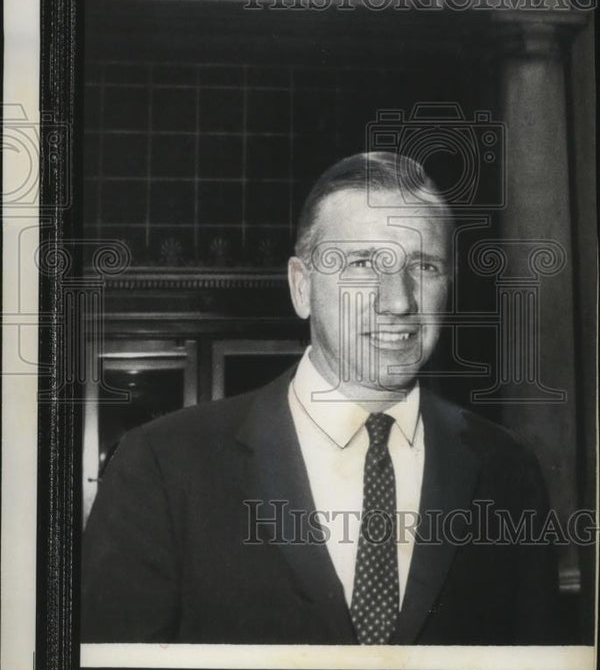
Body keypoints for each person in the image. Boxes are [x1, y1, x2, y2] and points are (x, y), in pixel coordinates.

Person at [82, 152, 560, 644]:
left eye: (424, 266)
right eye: (362, 263)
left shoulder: (508, 469)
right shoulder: (162, 466)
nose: (398, 301)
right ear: (302, 287)